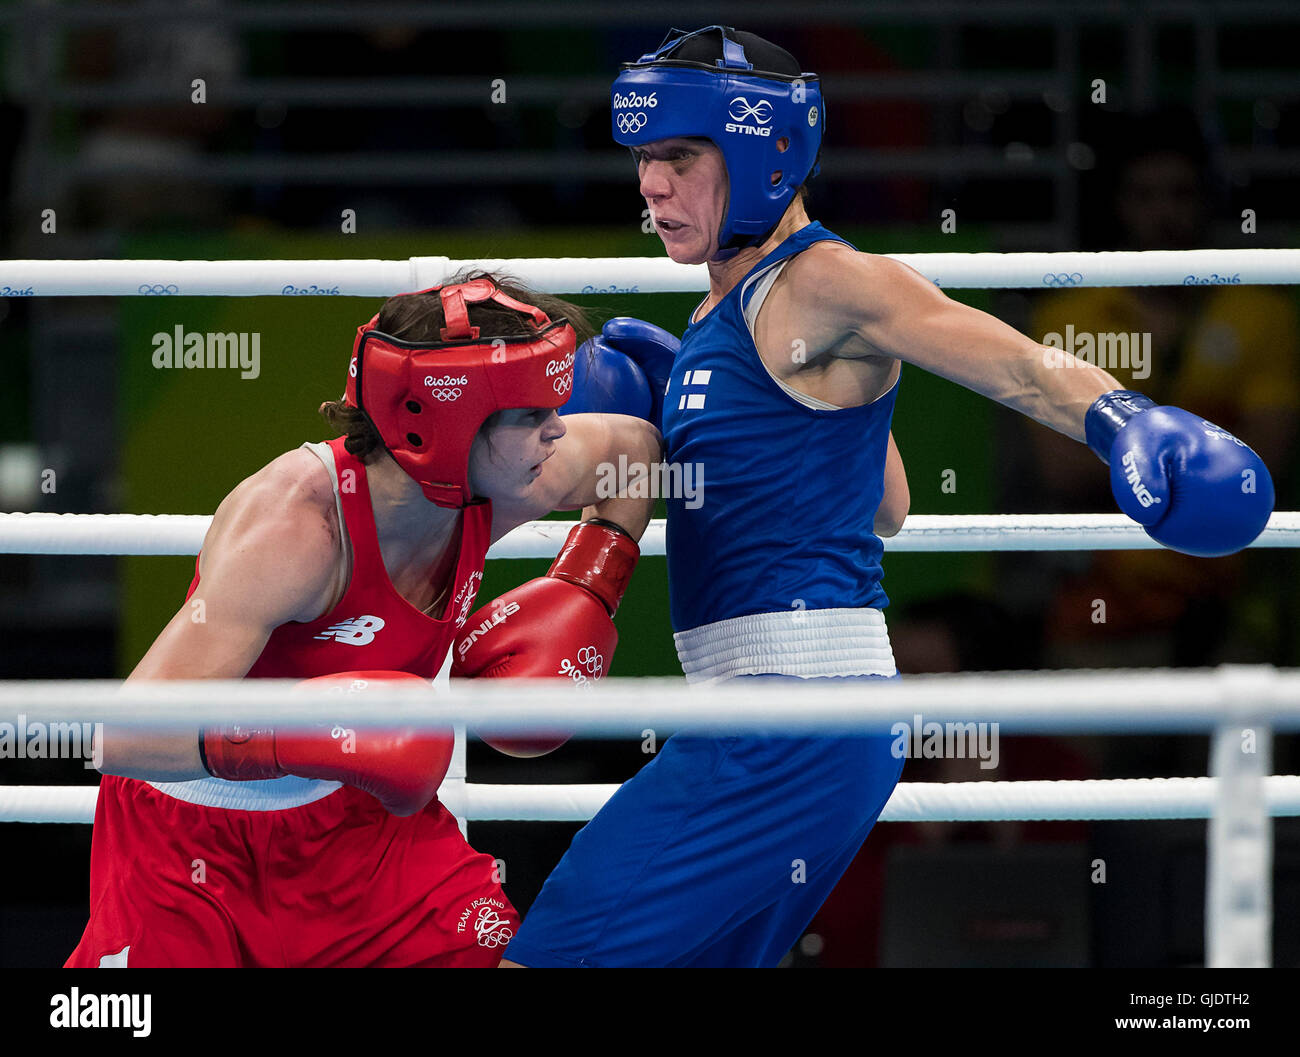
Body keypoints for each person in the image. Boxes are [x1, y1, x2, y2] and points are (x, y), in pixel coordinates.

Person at [498, 25, 1274, 968]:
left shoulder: (825, 280)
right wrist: (704, 410)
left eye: (677, 156)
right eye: (641, 159)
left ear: (756, 149)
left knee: (549, 955)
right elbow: (887, 505)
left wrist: (1122, 420)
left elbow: (1019, 367)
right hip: (800, 722)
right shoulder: (720, 312)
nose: (651, 185)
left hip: (788, 721)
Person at [66, 273, 660, 967]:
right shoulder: (294, 528)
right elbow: (121, 734)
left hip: (361, 831)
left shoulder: (505, 480)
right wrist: (302, 730)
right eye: (530, 414)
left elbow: (632, 450)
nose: (557, 430)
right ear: (445, 423)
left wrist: (591, 581)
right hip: (194, 844)